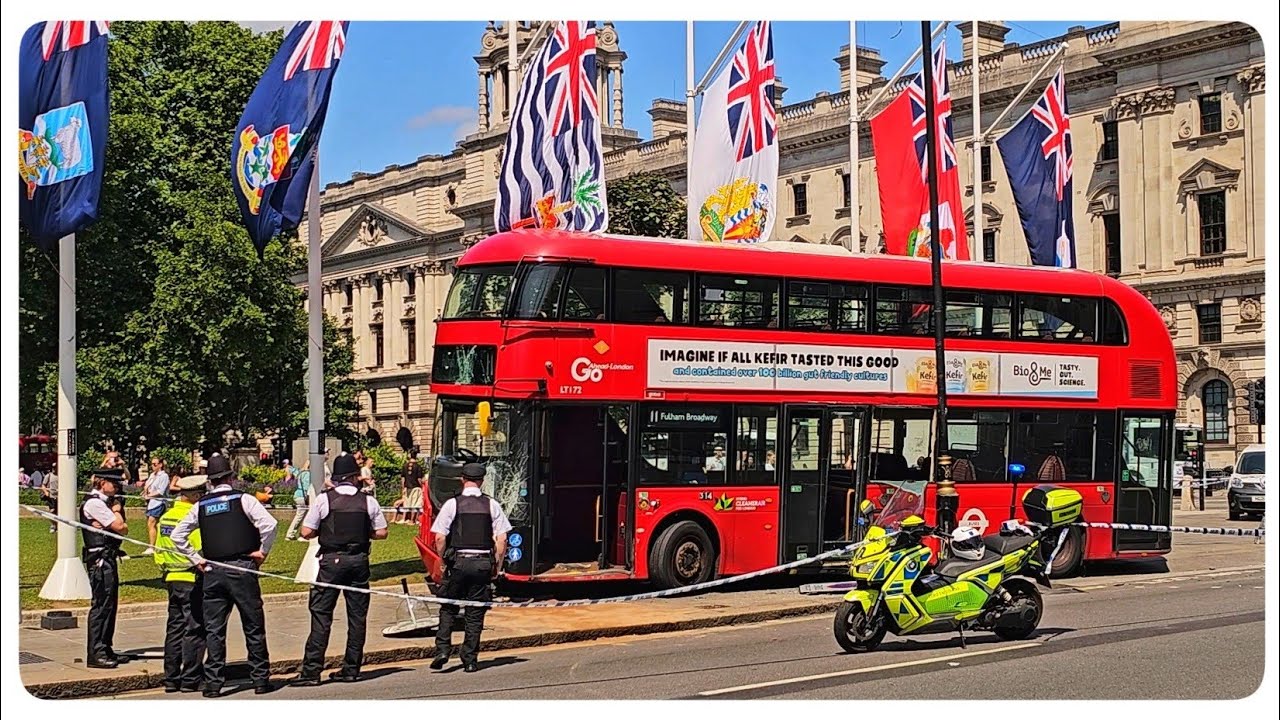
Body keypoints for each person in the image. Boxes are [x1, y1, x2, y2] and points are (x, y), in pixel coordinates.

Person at [171, 454, 278, 697]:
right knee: (253, 626)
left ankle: (213, 684)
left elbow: (178, 535)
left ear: (210, 481)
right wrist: (262, 552)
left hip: (213, 572)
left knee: (214, 630)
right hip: (242, 569)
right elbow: (270, 525)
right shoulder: (244, 499)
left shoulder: (201, 506)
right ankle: (260, 680)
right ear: (230, 477)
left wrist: (196, 559)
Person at [292, 453, 389, 685]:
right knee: (357, 618)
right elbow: (382, 532)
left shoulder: (324, 500)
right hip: (358, 562)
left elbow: (306, 531)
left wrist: (325, 530)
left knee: (321, 615)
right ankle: (351, 669)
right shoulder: (368, 501)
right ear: (355, 477)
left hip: (331, 562)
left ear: (336, 478)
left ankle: (312, 671)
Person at [429, 463, 512, 673]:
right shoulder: (491, 504)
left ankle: (442, 650)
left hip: (458, 562)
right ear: (482, 481)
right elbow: (502, 539)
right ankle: (470, 659)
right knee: (475, 611)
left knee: (448, 606)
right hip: (482, 563)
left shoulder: (452, 504)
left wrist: (443, 560)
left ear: (462, 480)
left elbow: (439, 537)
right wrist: (497, 565)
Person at [153, 474, 209, 693]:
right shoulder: (192, 519)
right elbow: (199, 549)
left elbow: (159, 550)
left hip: (171, 578)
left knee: (174, 629)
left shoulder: (166, 517)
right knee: (195, 629)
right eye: (202, 494)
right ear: (195, 496)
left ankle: (171, 678)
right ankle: (191, 678)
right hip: (191, 577)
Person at [81, 466, 129, 668]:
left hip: (108, 557)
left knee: (110, 605)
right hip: (100, 560)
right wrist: (116, 511)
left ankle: (106, 647)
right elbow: (121, 528)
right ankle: (96, 652)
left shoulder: (104, 503)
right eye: (114, 483)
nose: (117, 487)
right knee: (101, 605)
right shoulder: (95, 503)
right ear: (102, 483)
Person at [143, 457, 172, 556]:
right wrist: (145, 493)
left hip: (159, 502)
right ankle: (158, 545)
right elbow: (148, 486)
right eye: (151, 464)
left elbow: (160, 491)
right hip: (151, 503)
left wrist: (149, 495)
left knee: (151, 523)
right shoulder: (152, 475)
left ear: (160, 465)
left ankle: (152, 547)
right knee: (153, 524)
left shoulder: (164, 476)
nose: (152, 466)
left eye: (155, 464)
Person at [286, 461, 314, 541]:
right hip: (302, 496)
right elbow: (306, 487)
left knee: (300, 515)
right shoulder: (308, 474)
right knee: (301, 516)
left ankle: (292, 534)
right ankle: (294, 534)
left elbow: (291, 469)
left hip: (298, 495)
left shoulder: (301, 473)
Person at [401, 456, 425, 525]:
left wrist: (403, 487)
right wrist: (422, 486)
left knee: (407, 504)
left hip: (407, 487)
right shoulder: (418, 466)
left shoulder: (405, 466)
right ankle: (412, 520)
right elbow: (419, 479)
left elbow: (403, 478)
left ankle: (404, 519)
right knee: (415, 504)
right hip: (416, 487)